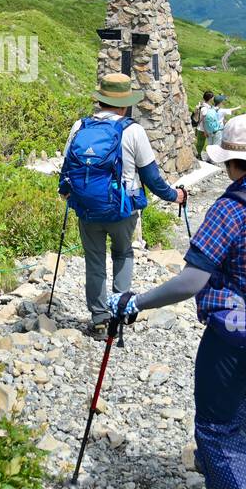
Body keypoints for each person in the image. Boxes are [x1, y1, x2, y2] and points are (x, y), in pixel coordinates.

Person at [108, 113, 246, 489]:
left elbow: (191, 281)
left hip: (234, 336)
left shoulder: (231, 209)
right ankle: (225, 473)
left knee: (214, 427)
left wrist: (136, 302)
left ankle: (242, 480)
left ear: (231, 162)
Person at [59, 73, 186, 335]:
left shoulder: (80, 127)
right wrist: (176, 196)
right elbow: (152, 178)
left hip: (87, 209)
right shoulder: (133, 130)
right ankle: (119, 310)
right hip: (123, 209)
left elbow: (66, 169)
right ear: (125, 102)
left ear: (101, 99)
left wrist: (69, 196)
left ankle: (99, 319)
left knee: (94, 261)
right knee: (123, 253)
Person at [196, 91, 241, 162]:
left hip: (209, 129)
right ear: (220, 102)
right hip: (217, 130)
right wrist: (238, 107)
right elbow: (231, 110)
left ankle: (208, 158)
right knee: (216, 145)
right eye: (222, 101)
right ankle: (212, 160)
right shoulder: (222, 110)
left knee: (210, 144)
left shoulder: (211, 108)